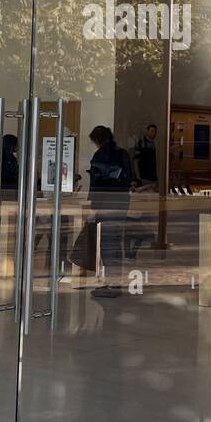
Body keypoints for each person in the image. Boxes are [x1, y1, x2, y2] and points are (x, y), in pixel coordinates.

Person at [69, 125, 132, 298]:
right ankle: (114, 282)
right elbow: (129, 180)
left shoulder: (100, 156)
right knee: (115, 242)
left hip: (106, 205)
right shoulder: (123, 153)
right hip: (122, 203)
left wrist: (93, 207)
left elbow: (97, 186)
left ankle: (112, 285)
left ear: (97, 139)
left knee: (107, 244)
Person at [133, 123, 159, 188]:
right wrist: (138, 177)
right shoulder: (141, 143)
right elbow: (136, 161)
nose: (154, 133)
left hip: (153, 177)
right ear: (147, 131)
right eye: (152, 131)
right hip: (144, 177)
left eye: (155, 132)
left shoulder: (155, 144)